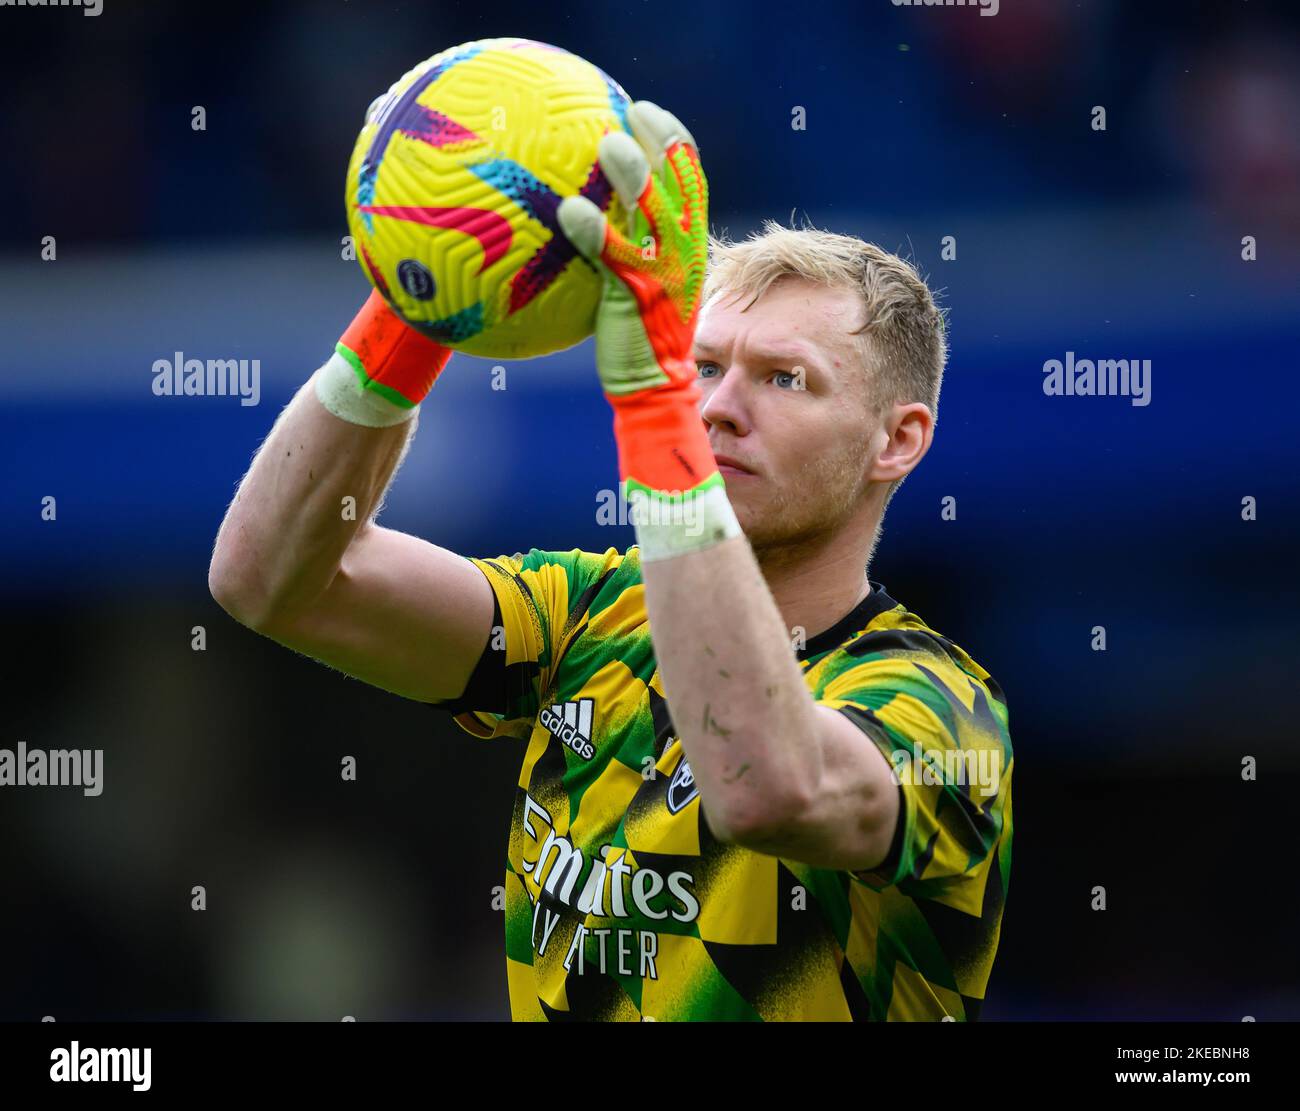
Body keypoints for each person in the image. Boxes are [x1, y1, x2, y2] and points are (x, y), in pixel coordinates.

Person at [209, 100, 1012, 1021]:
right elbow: (269, 579)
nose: (716, 407)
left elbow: (763, 783)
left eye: (784, 378)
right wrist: (424, 285)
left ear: (898, 441)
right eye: (703, 367)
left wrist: (653, 412)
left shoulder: (941, 713)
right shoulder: (589, 612)